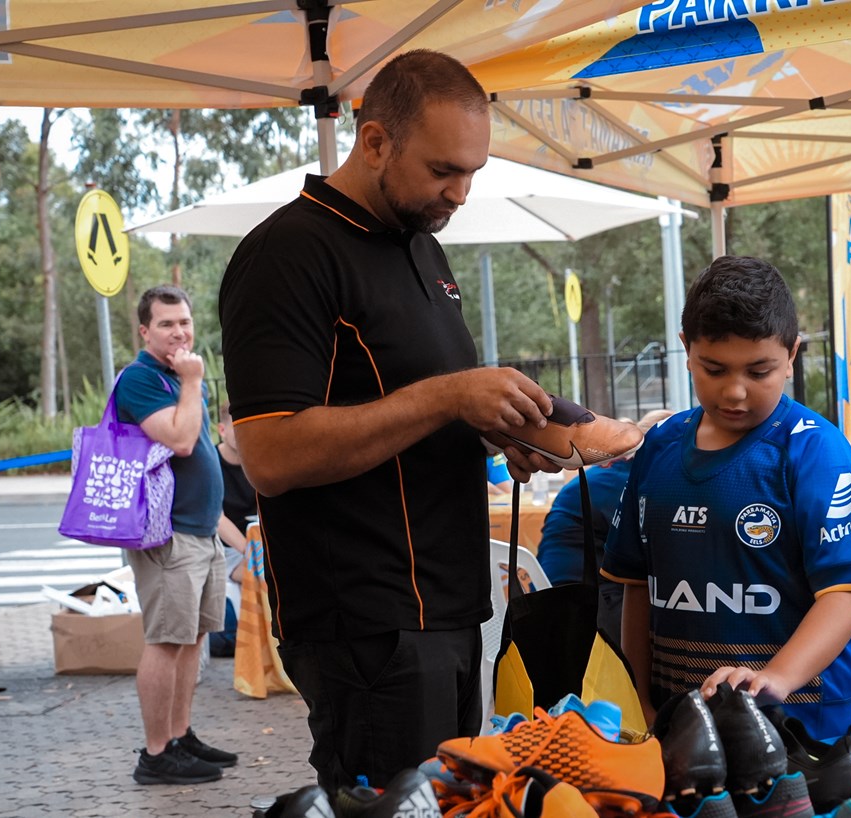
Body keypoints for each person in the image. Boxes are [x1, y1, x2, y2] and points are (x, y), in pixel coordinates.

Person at [218, 49, 557, 791]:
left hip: (448, 608)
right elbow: (269, 452)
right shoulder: (287, 254)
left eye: (473, 173)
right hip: (369, 627)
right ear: (374, 142)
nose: (461, 192)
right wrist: (446, 398)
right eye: (443, 170)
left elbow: (403, 410)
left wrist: (491, 426)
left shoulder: (423, 247)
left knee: (459, 805)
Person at [602, 256, 851, 740]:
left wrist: (777, 677)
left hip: (803, 723)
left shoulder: (814, 450)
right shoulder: (660, 446)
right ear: (686, 351)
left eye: (760, 371)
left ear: (792, 354)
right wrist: (641, 698)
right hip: (680, 724)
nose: (735, 392)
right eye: (714, 369)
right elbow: (636, 585)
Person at [114, 284, 235, 784]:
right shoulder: (141, 379)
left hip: (201, 530)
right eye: (166, 324)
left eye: (184, 322)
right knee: (166, 640)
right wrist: (192, 382)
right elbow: (183, 441)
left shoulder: (180, 376)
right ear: (145, 330)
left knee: (194, 638)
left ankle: (181, 736)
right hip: (167, 534)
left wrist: (190, 381)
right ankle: (156, 754)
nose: (179, 332)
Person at [537, 409, 672, 638]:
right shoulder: (625, 482)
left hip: (555, 588)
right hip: (578, 600)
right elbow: (658, 547)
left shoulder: (612, 470)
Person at [209, 400, 255, 657]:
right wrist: (248, 549)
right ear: (222, 430)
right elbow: (216, 516)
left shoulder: (259, 459)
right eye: (238, 430)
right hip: (224, 549)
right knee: (259, 574)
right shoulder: (212, 463)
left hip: (258, 542)